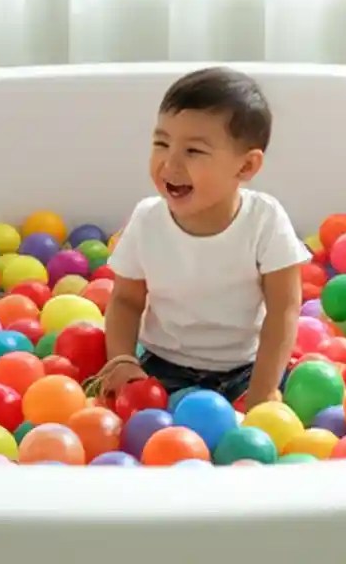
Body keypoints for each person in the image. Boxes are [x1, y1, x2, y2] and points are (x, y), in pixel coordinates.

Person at [89, 66, 310, 412]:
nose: (170, 163)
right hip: (163, 366)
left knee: (304, 394)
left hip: (247, 369)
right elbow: (126, 301)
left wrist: (262, 393)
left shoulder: (264, 220)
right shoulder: (148, 219)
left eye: (193, 151)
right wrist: (121, 360)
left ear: (246, 167)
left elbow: (284, 309)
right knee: (134, 420)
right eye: (161, 143)